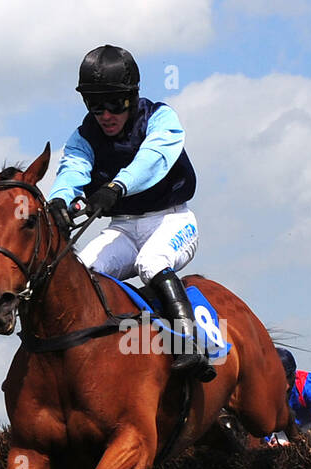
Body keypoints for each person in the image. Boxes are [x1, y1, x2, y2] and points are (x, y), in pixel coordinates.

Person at [46, 45, 215, 382]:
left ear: (132, 97)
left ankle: (189, 345)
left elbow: (150, 160)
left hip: (171, 220)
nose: (105, 115)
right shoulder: (84, 137)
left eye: (115, 104)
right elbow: (72, 170)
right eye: (96, 106)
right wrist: (60, 202)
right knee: (83, 271)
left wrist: (115, 188)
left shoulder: (161, 119)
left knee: (150, 263)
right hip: (123, 229)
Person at [275, 348, 311, 436]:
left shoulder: (309, 385)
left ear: (293, 374)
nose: (284, 385)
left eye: (287, 377)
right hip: (287, 424)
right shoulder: (268, 391)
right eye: (279, 380)